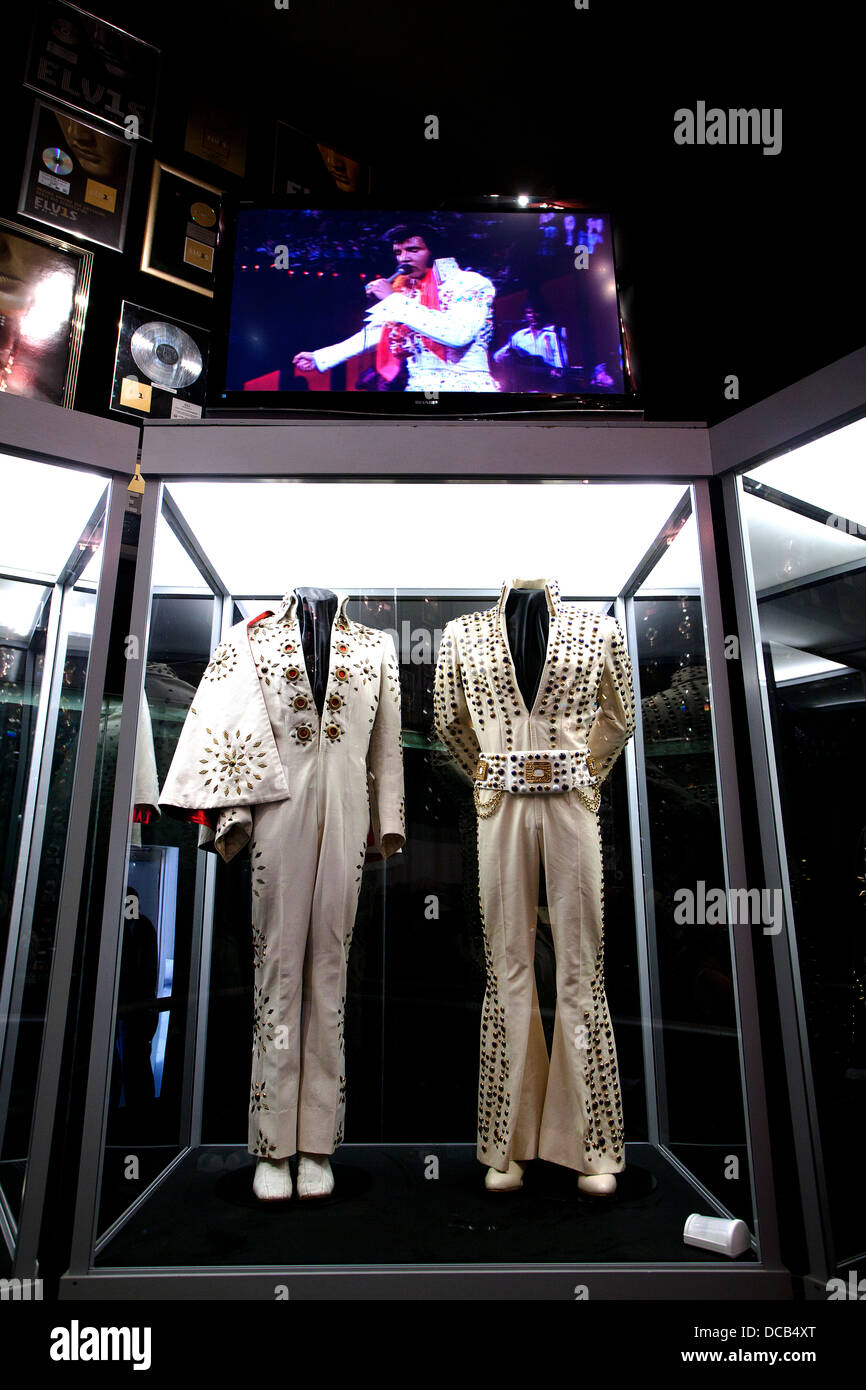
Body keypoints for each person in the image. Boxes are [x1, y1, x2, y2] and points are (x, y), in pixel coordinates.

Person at [293, 222, 500, 392]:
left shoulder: (470, 283)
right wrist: (321, 357)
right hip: (419, 390)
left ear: (434, 252)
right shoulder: (406, 291)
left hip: (469, 392)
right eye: (398, 252)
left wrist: (393, 300)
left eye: (413, 250)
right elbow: (377, 333)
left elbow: (458, 335)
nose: (404, 258)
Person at [492, 303, 567, 387]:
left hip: (549, 383)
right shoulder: (519, 335)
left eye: (536, 312)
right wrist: (508, 357)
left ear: (543, 313)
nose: (533, 316)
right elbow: (497, 357)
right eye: (529, 313)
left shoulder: (554, 333)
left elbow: (560, 363)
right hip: (525, 384)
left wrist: (557, 372)